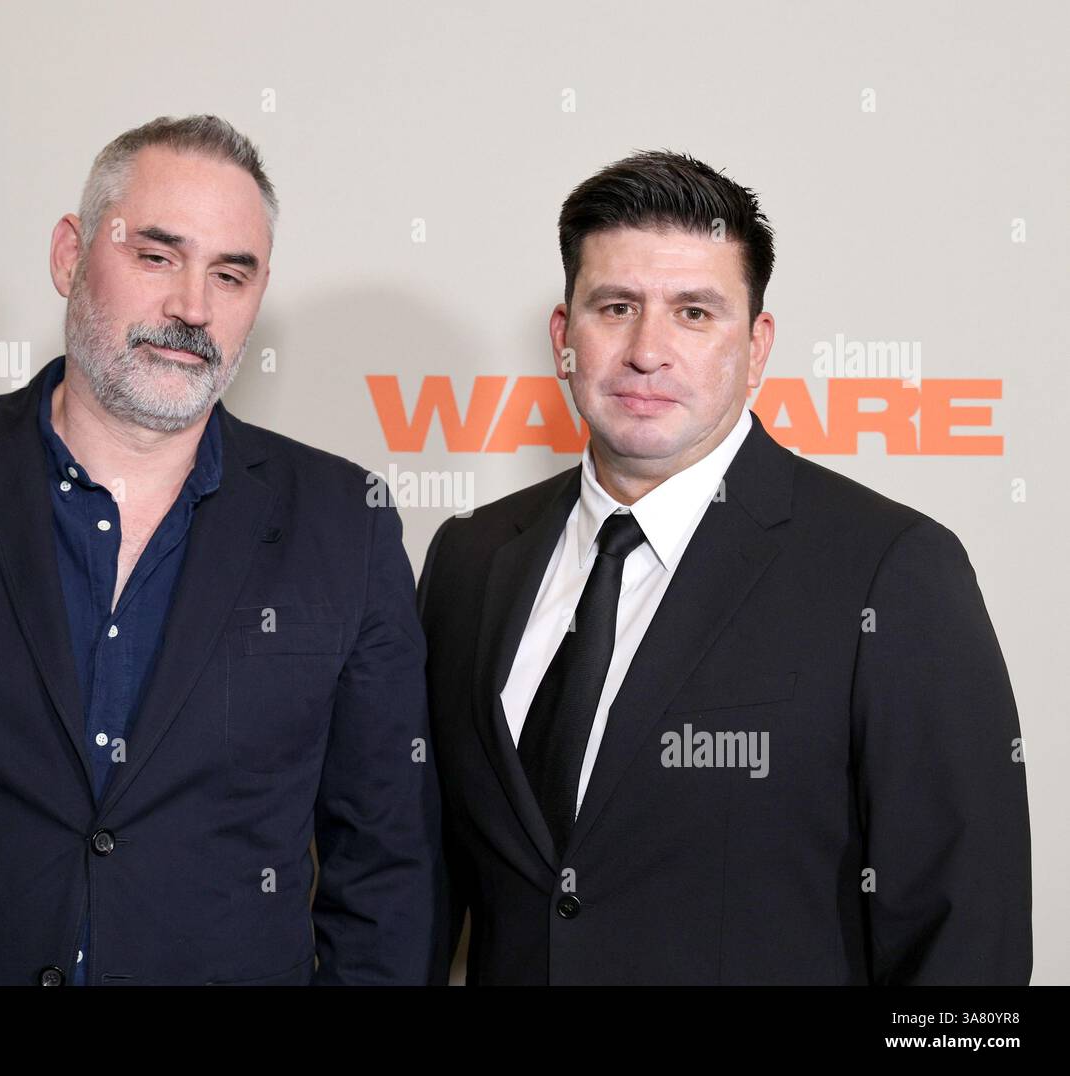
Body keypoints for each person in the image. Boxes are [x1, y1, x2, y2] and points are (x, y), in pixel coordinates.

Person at [0, 115, 439, 986]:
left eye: (229, 274)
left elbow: (387, 863)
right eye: (156, 257)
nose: (191, 308)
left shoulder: (346, 521)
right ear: (69, 255)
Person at [419, 150, 1032, 985]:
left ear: (757, 345)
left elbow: (966, 939)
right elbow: (419, 880)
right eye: (615, 306)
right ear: (564, 337)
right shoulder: (470, 559)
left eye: (695, 313)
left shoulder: (889, 570)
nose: (647, 351)